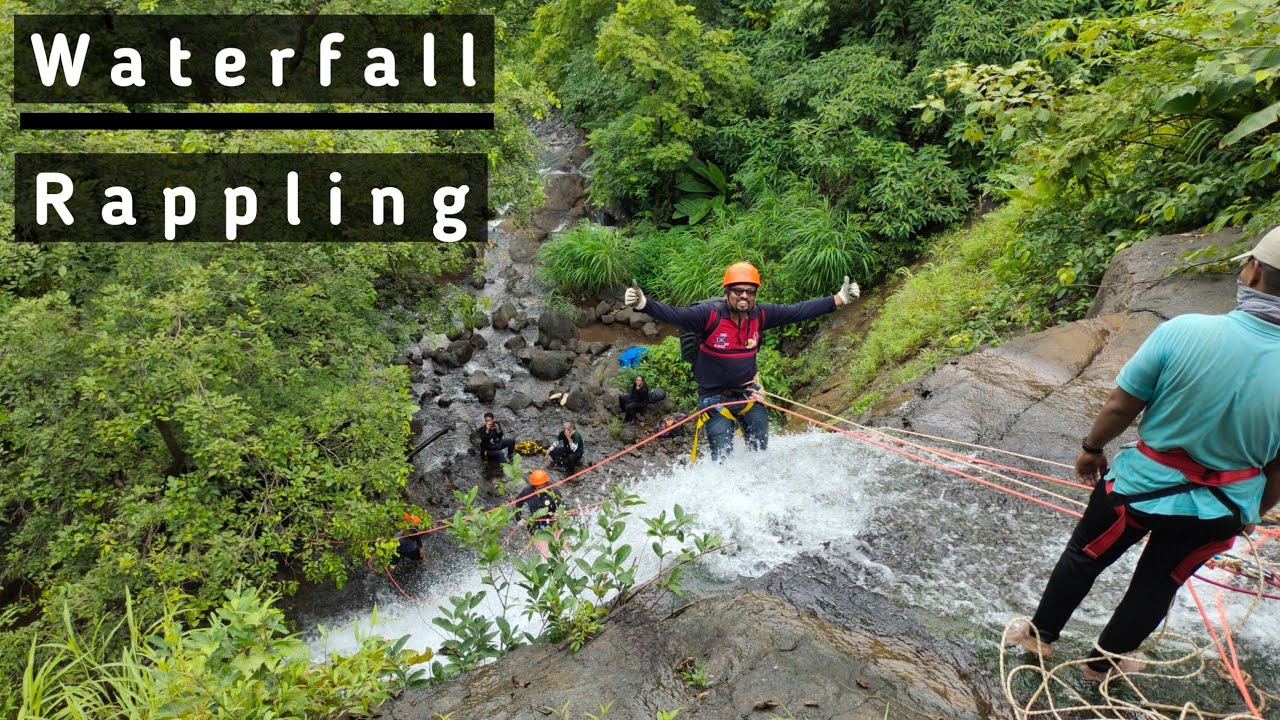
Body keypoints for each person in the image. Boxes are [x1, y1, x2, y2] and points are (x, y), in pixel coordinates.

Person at [1008, 227, 1280, 681]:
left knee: (1084, 557)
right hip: (1222, 509)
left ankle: (1037, 638)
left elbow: (1120, 405)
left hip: (1138, 490)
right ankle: (1102, 666)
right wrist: (1256, 510)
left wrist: (1092, 449)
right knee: (1159, 583)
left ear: (1252, 272)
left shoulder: (1183, 331)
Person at [624, 262, 859, 460]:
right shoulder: (709, 315)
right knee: (722, 460)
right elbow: (676, 314)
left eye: (750, 291)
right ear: (727, 292)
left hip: (749, 394)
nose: (744, 296)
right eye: (738, 290)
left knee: (761, 454)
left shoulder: (760, 315)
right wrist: (644, 304)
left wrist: (838, 298)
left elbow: (797, 310)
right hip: (713, 398)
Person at [514, 469, 562, 560]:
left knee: (563, 545)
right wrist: (519, 518)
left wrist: (559, 513)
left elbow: (562, 505)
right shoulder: (527, 492)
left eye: (544, 486)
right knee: (545, 551)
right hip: (537, 525)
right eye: (539, 488)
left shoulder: (554, 491)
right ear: (534, 486)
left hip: (553, 522)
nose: (542, 489)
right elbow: (518, 503)